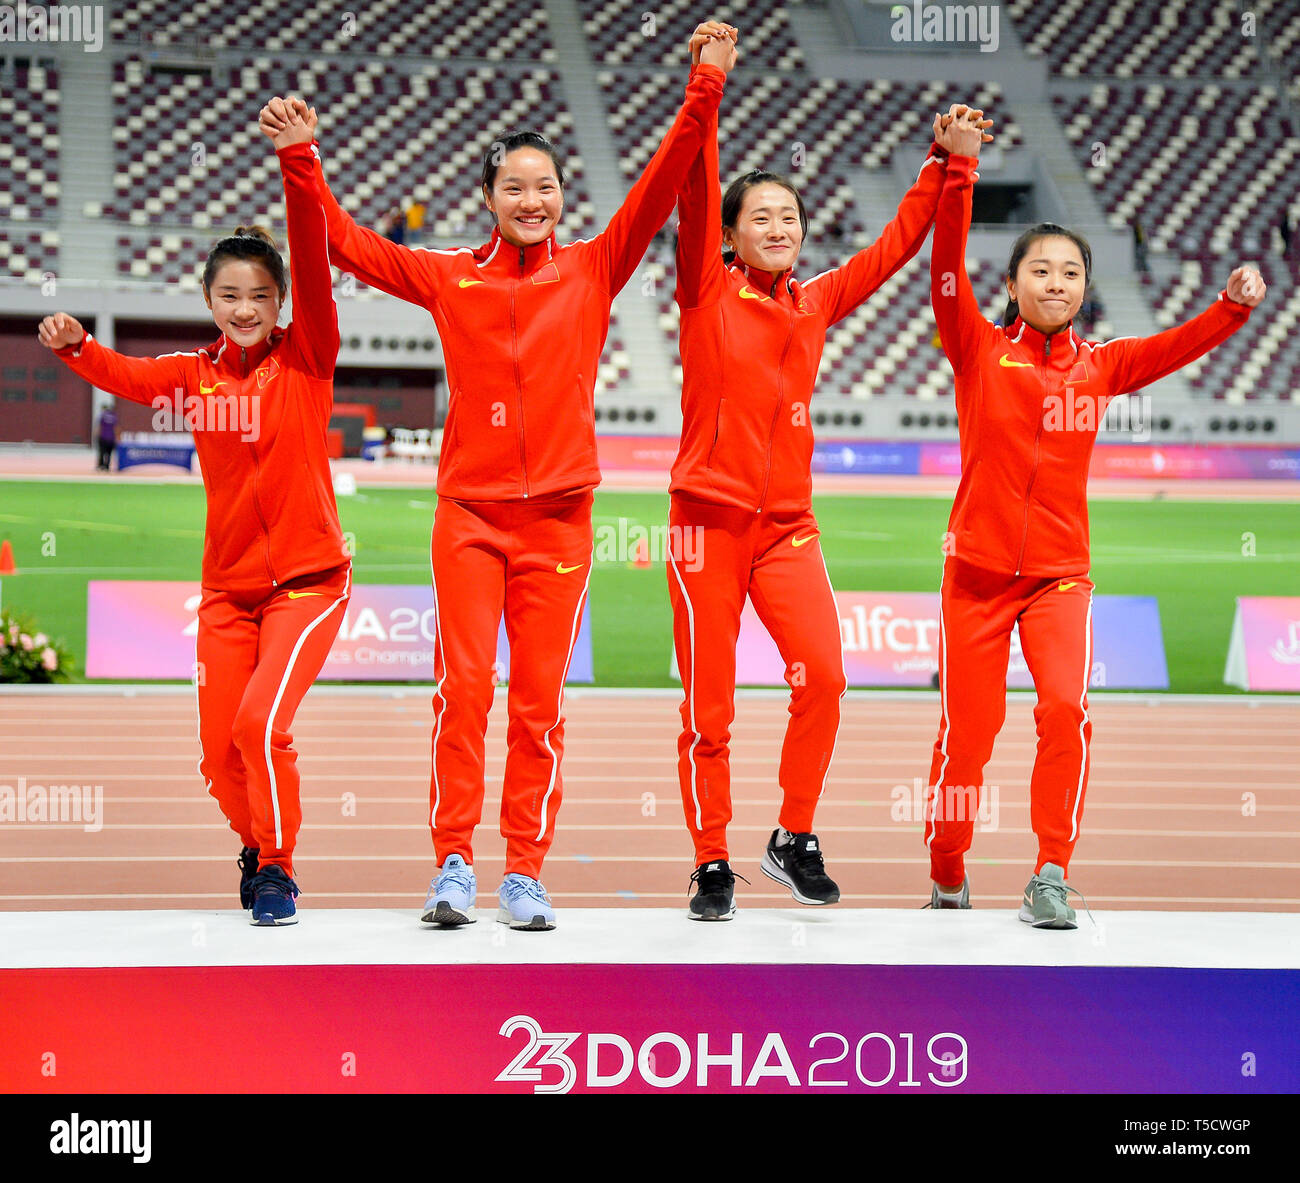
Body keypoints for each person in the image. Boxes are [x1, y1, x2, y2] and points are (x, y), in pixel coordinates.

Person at [259, 25, 737, 932]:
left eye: (545, 186)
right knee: (463, 691)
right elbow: (349, 246)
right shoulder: (449, 280)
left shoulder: (596, 266)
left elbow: (667, 180)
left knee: (538, 704)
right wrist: (301, 161)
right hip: (470, 519)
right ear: (486, 198)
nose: (532, 199)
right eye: (513, 186)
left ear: (562, 198)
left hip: (559, 524)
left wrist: (702, 86)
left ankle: (523, 870)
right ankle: (452, 862)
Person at [668, 22, 983, 920]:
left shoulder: (814, 302)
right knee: (711, 709)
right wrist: (709, 83)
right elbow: (692, 178)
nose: (779, 228)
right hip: (705, 524)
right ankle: (711, 858)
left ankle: (792, 833)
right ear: (729, 236)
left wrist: (946, 164)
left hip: (786, 528)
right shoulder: (702, 289)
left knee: (826, 678)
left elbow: (894, 245)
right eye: (760, 217)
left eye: (790, 218)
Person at [926, 107, 1265, 927]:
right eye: (1039, 271)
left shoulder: (1102, 366)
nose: (1055, 283)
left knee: (1065, 711)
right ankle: (946, 858)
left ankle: (1049, 871)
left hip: (1058, 579)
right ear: (1011, 285)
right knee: (970, 735)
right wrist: (958, 169)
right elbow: (942, 265)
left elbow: (1178, 346)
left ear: (1085, 287)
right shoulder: (977, 348)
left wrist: (1232, 307)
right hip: (973, 577)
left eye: (1070, 273)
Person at [39, 103, 351, 926]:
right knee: (218, 758)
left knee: (259, 726)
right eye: (229, 295)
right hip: (227, 592)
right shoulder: (192, 374)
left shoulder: (308, 355)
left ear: (282, 300)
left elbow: (315, 257)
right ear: (210, 299)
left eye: (260, 294)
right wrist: (75, 347)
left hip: (309, 583)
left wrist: (297, 158)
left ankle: (278, 868)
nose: (245, 307)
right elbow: (125, 374)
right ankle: (257, 841)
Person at [94, 403, 118, 471]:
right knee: (109, 453)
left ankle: (100, 466)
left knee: (101, 452)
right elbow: (116, 428)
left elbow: (99, 427)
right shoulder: (114, 416)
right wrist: (117, 438)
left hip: (103, 437)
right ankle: (107, 466)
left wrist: (96, 435)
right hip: (111, 438)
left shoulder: (103, 416)